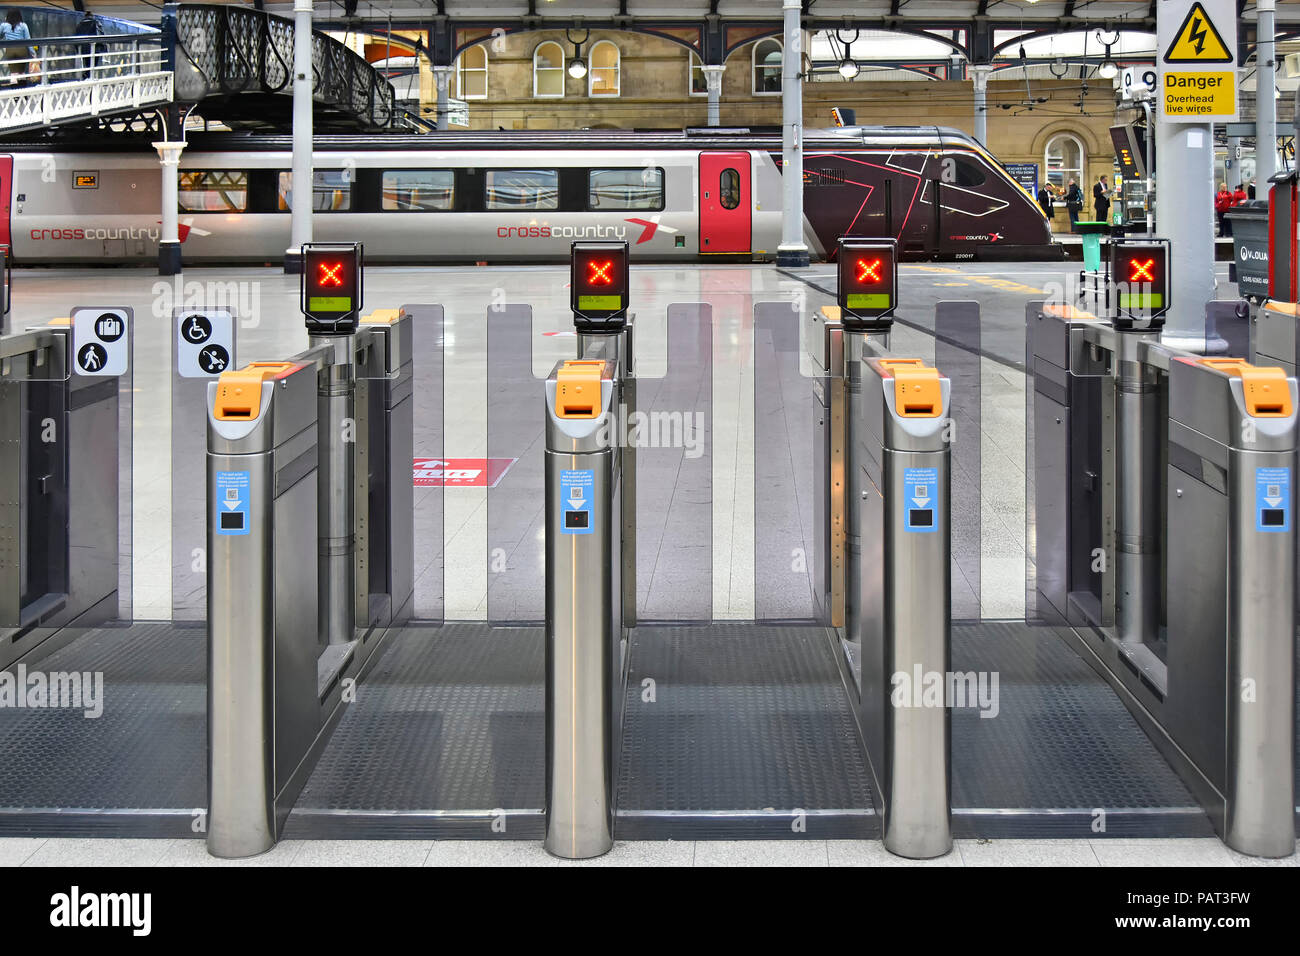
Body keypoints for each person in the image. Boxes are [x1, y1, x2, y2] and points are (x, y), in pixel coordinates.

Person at [0, 9, 32, 87]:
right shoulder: (23, 25)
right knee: (21, 72)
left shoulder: (4, 25)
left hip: (10, 50)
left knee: (13, 72)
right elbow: (28, 39)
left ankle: (15, 96)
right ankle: (23, 93)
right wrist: (33, 53)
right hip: (22, 50)